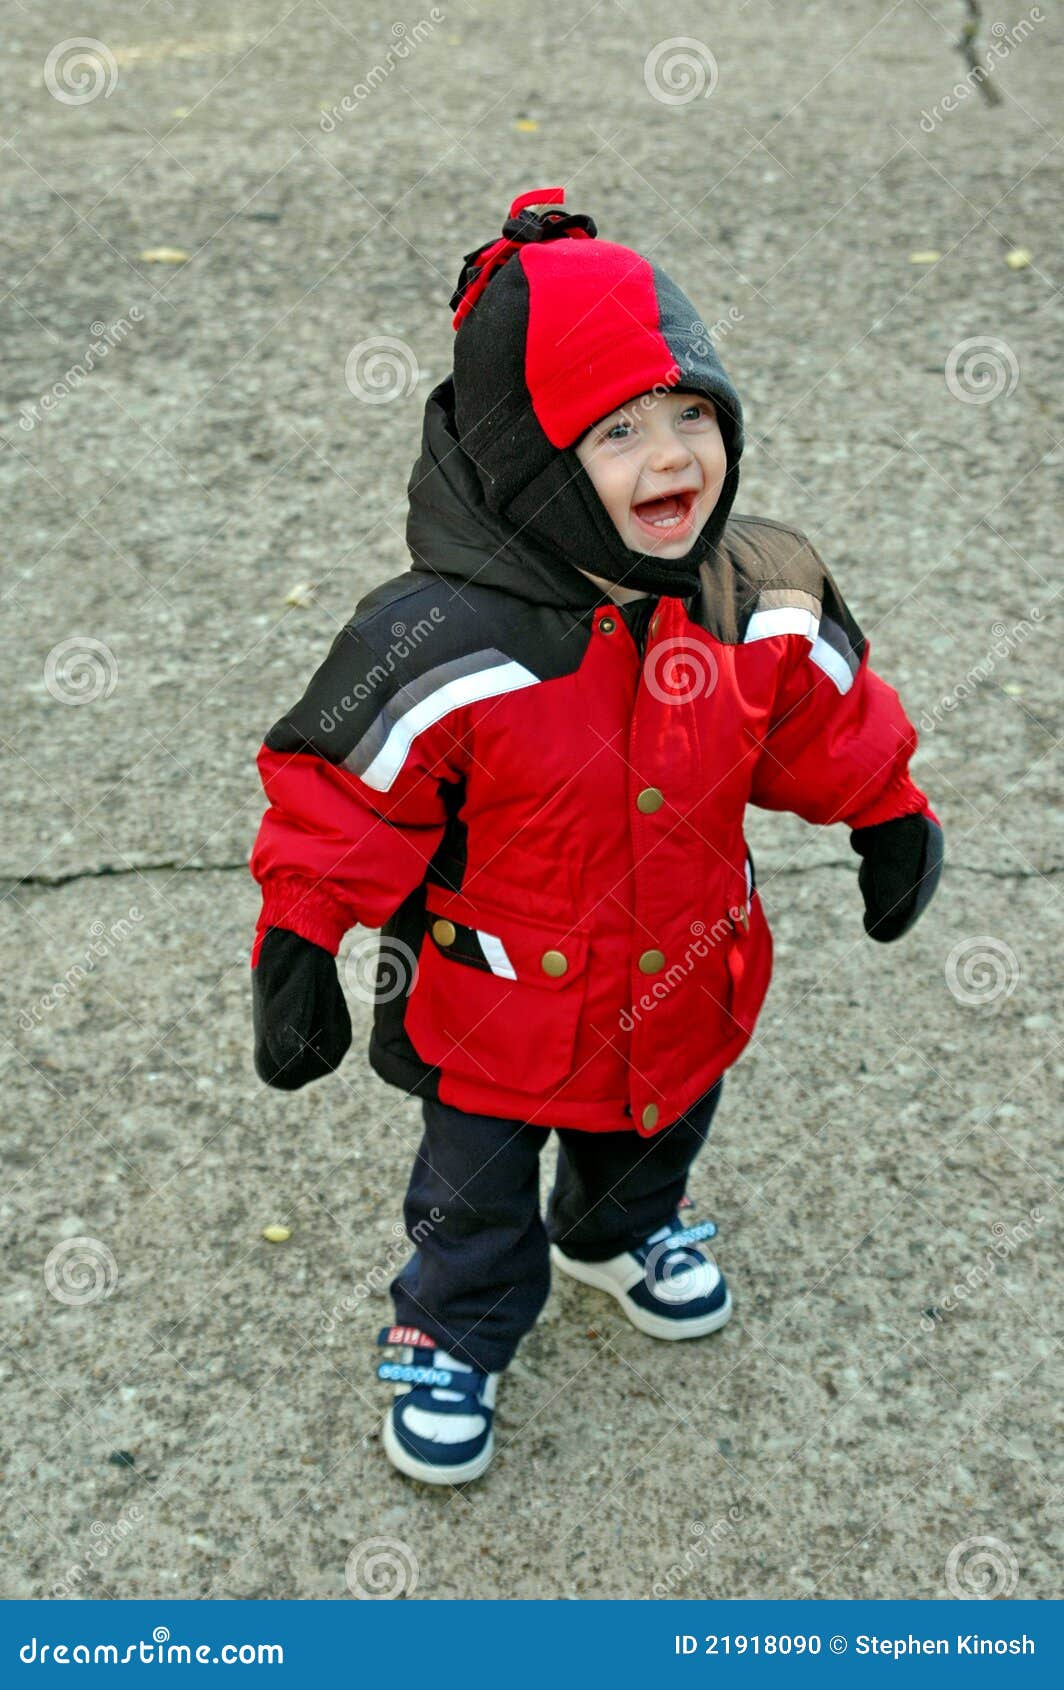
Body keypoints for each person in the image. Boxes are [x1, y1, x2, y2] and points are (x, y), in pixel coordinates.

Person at [248, 186, 944, 1486]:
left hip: (683, 977)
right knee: (471, 1204)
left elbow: (824, 716)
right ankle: (453, 1333)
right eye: (618, 430)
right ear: (532, 461)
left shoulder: (763, 591)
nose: (673, 454)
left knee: (659, 1129)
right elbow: (346, 790)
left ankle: (620, 1232)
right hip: (496, 1013)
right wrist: (301, 936)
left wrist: (887, 809)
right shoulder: (442, 640)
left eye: (694, 413)